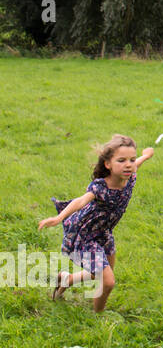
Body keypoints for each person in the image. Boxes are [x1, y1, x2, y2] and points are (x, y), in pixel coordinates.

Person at [39, 134, 154, 313]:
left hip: (103, 233)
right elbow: (80, 201)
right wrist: (58, 218)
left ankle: (66, 280)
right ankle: (97, 318)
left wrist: (146, 155)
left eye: (131, 159)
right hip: (85, 234)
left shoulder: (130, 176)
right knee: (108, 281)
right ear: (108, 164)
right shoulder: (101, 186)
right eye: (121, 160)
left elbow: (137, 163)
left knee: (98, 272)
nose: (129, 164)